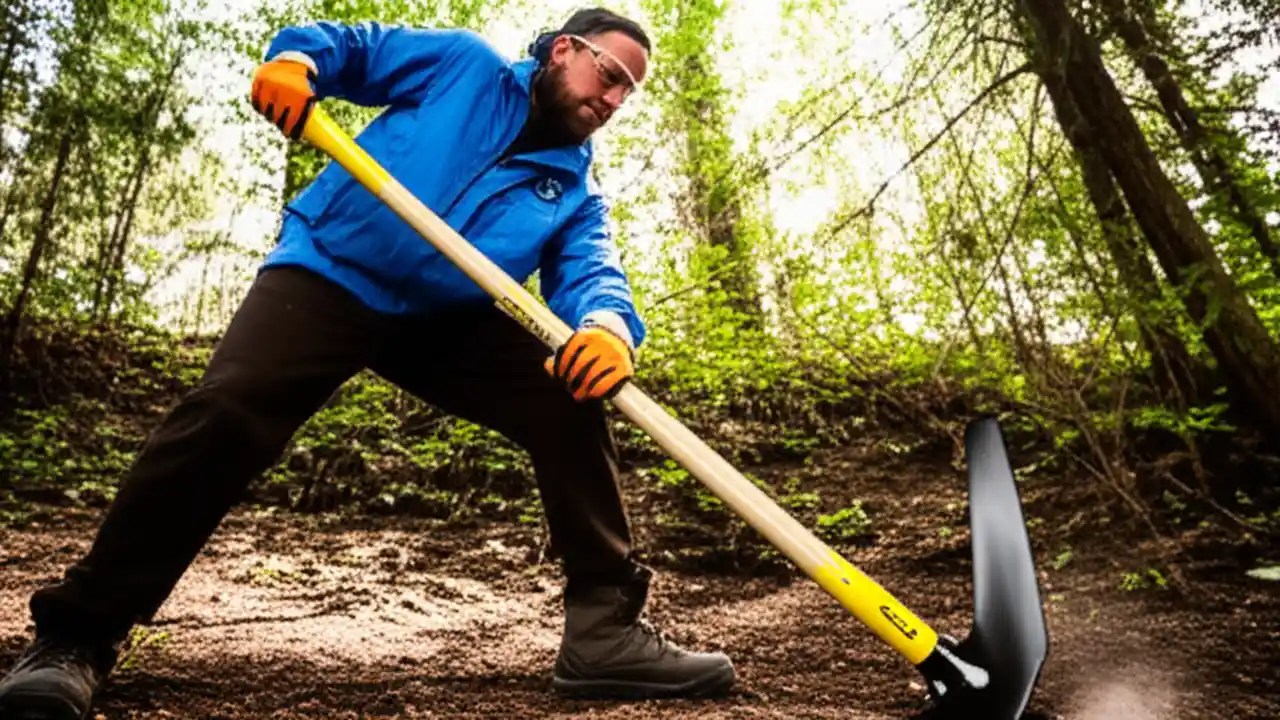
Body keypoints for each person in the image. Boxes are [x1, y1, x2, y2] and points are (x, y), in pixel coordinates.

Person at [0, 8, 736, 718]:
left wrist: (606, 328)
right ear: (563, 51)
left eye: (626, 93)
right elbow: (351, 47)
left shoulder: (573, 190)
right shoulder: (463, 66)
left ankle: (603, 634)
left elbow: (593, 273)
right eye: (607, 74)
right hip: (332, 270)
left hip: (444, 319)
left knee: (570, 393)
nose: (611, 99)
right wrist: (296, 61)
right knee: (228, 413)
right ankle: (78, 635)